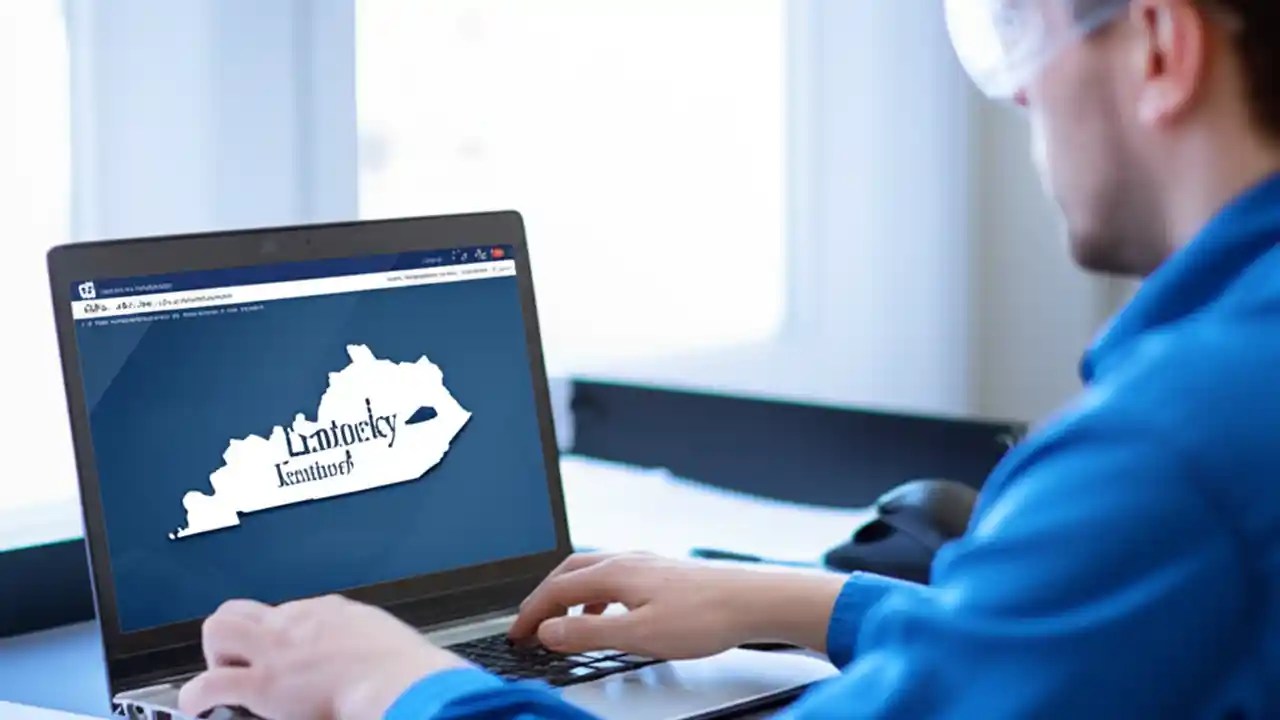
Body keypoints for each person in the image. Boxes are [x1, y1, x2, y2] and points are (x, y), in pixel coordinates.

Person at [179, 0, 1280, 717]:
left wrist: (392, 682)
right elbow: (1055, 651)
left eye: (1023, 33)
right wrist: (801, 602)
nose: (1022, 91)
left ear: (1159, 44)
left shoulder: (1175, 448)